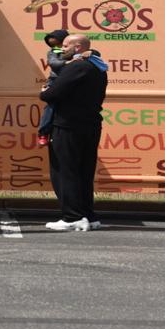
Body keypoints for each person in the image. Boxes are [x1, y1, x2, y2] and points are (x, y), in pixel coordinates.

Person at [39, 33, 109, 232]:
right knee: (84, 172)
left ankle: (72, 217)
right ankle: (88, 216)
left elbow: (52, 94)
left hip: (68, 125)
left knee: (64, 171)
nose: (62, 49)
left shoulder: (77, 67)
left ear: (78, 47)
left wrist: (44, 91)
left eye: (66, 45)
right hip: (91, 125)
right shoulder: (98, 67)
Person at [37, 28, 71, 201]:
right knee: (50, 108)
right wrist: (70, 61)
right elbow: (54, 64)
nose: (56, 47)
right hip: (55, 81)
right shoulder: (54, 52)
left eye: (58, 43)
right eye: (53, 44)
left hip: (69, 82)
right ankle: (43, 132)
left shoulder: (74, 51)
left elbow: (94, 54)